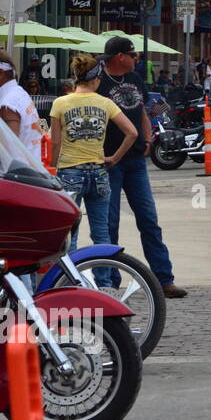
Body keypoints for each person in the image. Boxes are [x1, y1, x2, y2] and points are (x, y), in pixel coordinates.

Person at [97, 35, 185, 298]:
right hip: (110, 160)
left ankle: (163, 279)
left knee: (148, 220)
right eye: (133, 55)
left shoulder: (135, 79)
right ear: (119, 57)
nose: (137, 59)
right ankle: (110, 282)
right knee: (109, 223)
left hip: (135, 161)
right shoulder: (98, 82)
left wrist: (147, 138)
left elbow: (144, 112)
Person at [49, 54, 137, 263]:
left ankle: (72, 282)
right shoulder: (105, 103)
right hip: (98, 172)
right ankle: (104, 283)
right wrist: (115, 157)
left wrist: (53, 167)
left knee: (70, 235)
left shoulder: (60, 104)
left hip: (69, 171)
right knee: (101, 233)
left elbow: (55, 142)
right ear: (95, 79)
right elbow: (132, 133)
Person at [0, 48, 42, 161]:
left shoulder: (8, 104)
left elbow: (9, 147)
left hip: (18, 173)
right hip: (31, 169)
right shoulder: (19, 93)